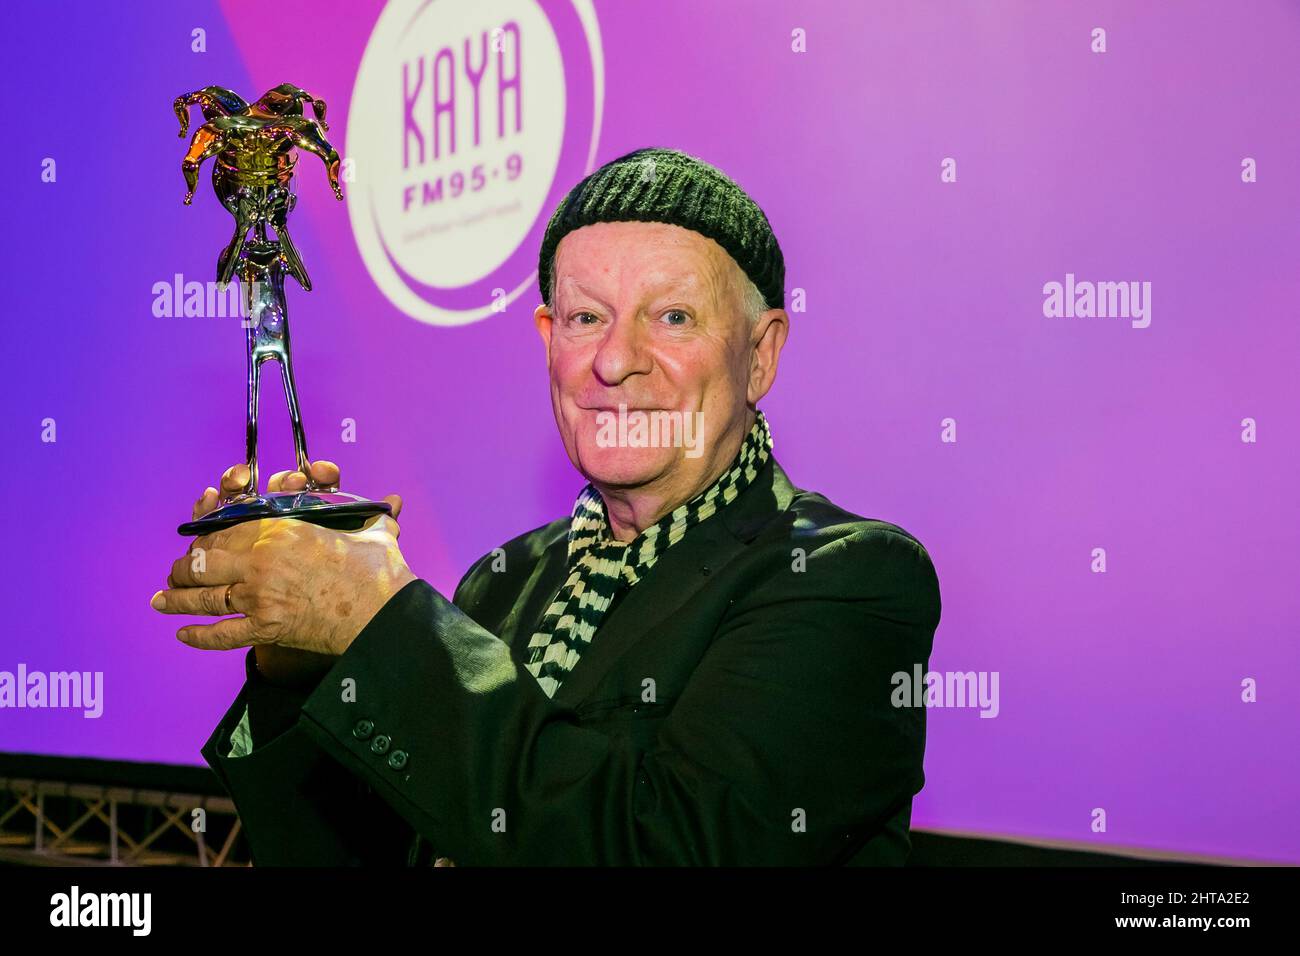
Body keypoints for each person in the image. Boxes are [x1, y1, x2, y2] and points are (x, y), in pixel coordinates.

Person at [151, 147, 942, 865]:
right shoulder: (503, 583)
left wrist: (382, 623)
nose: (616, 360)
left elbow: (669, 851)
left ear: (761, 354)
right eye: (586, 317)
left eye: (673, 317)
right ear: (547, 338)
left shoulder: (848, 580)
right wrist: (308, 663)